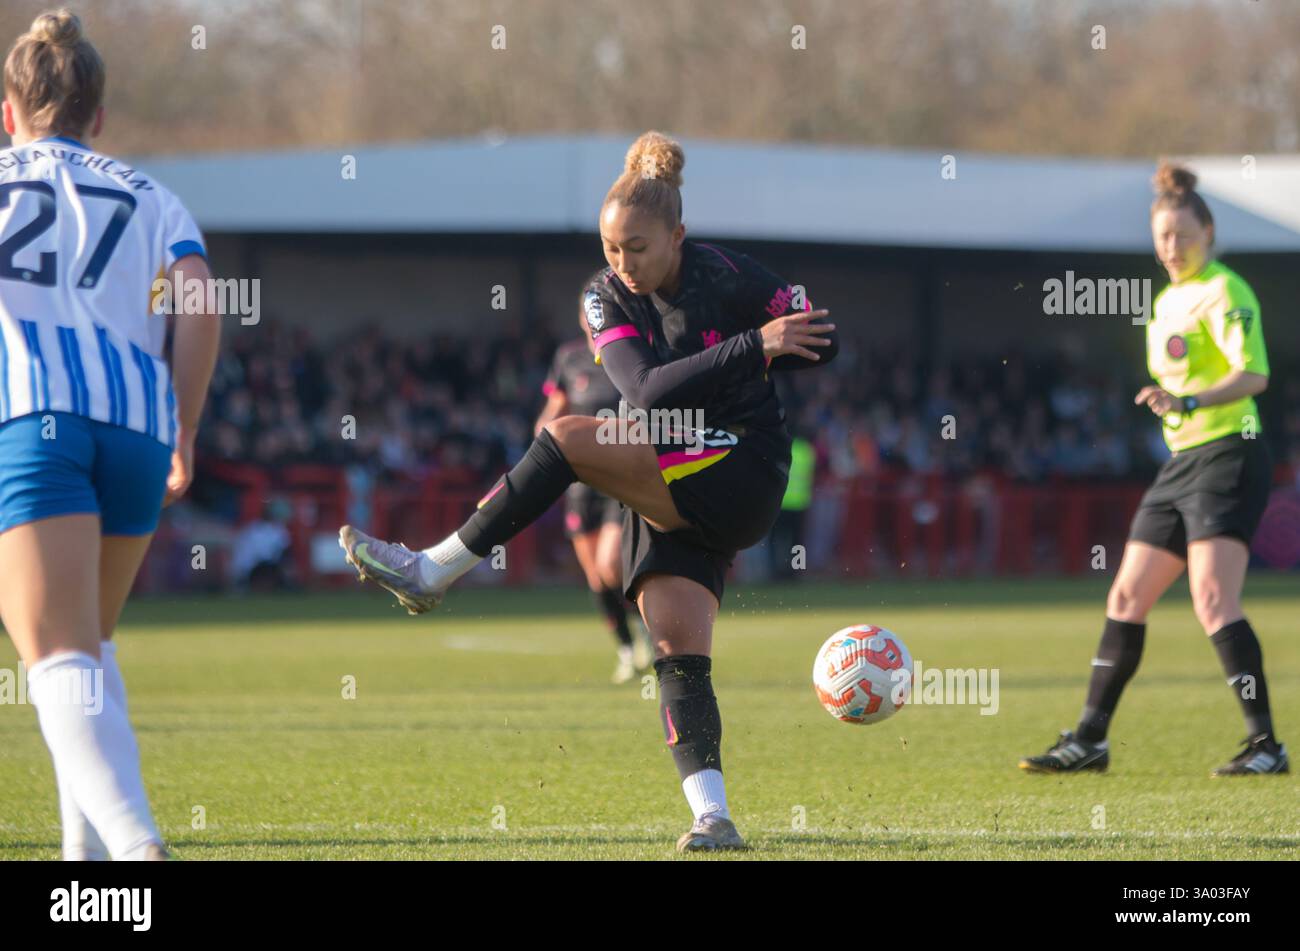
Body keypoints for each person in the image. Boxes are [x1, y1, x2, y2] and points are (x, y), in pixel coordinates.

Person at [340, 130, 838, 850]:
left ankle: (431, 569)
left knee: (572, 437)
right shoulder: (602, 297)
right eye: (611, 247)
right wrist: (755, 346)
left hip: (742, 468)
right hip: (670, 473)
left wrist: (770, 340)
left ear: (678, 235)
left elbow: (827, 341)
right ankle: (714, 815)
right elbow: (643, 388)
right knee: (676, 651)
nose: (622, 263)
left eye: (638, 247)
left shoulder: (728, 274)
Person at [0, 9, 220, 858]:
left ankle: (136, 849)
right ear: (98, 117)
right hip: (134, 427)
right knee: (85, 651)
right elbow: (199, 302)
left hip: (32, 420)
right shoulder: (152, 195)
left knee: (53, 657)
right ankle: (85, 875)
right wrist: (186, 424)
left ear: (9, 113)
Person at [1020, 162, 1284, 777]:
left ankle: (1265, 745)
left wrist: (1188, 400)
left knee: (1214, 599)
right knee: (1127, 595)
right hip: (1181, 463)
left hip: (1230, 452)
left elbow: (1254, 375)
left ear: (1208, 233)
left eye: (1183, 235)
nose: (1172, 246)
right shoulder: (1165, 301)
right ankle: (1089, 740)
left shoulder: (1225, 290)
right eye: (1162, 235)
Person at [535, 297, 653, 683]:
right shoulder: (568, 358)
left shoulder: (630, 354)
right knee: (596, 578)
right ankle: (625, 648)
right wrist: (544, 437)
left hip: (619, 477)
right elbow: (556, 406)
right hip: (579, 477)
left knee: (611, 565)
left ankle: (651, 636)